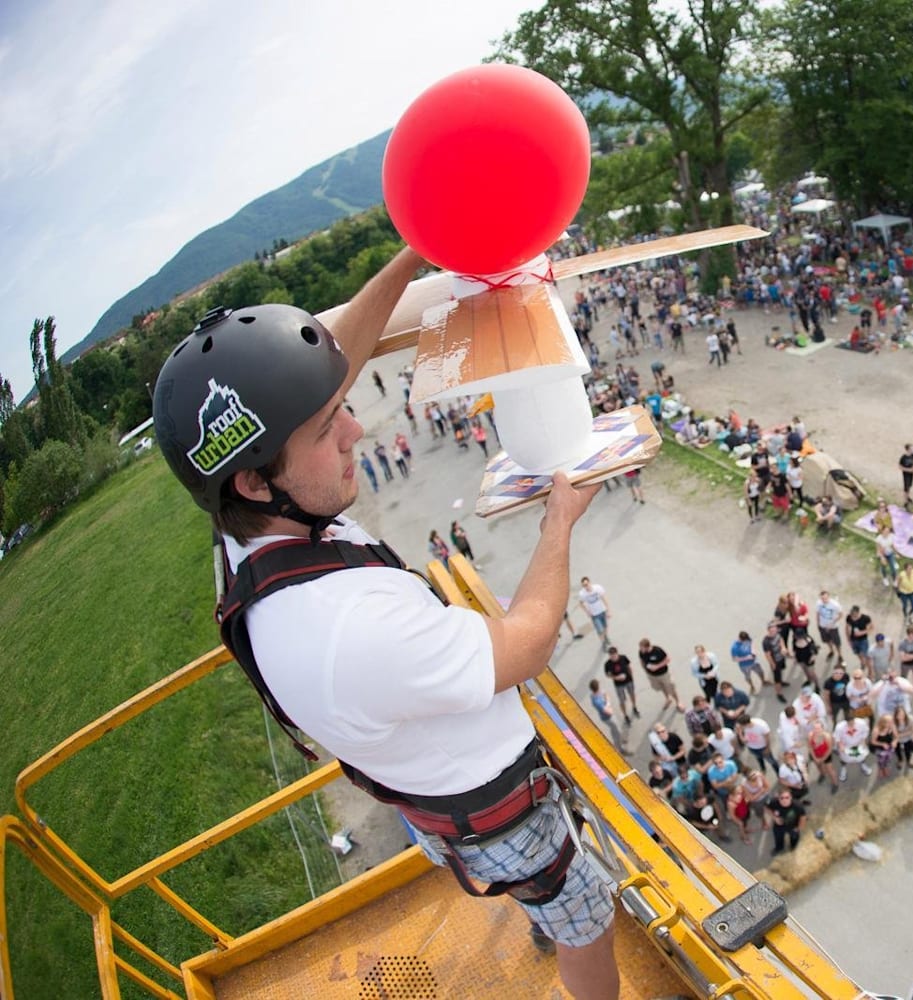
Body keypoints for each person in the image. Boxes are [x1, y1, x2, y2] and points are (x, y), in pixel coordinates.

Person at [151, 256, 619, 997]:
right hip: (495, 814)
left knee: (532, 891)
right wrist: (558, 525)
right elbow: (527, 644)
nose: (356, 427)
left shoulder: (248, 515)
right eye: (325, 425)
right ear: (252, 477)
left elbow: (327, 359)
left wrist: (413, 250)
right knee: (583, 913)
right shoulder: (347, 627)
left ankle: (533, 907)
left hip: (431, 802)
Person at [577, 576, 610, 646]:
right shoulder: (582, 594)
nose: (586, 587)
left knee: (605, 627)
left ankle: (606, 637)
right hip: (594, 615)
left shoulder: (597, 588)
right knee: (600, 630)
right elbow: (580, 603)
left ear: (589, 582)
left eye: (586, 584)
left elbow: (604, 598)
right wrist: (587, 612)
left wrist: (608, 610)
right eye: (584, 585)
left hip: (602, 611)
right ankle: (603, 642)